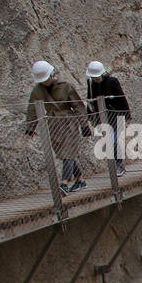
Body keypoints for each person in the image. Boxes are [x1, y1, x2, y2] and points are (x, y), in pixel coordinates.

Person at [25, 60, 89, 193]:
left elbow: (78, 105)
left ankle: (64, 183)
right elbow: (33, 108)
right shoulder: (37, 90)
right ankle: (80, 180)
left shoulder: (65, 86)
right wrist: (31, 127)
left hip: (68, 122)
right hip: (54, 124)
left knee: (68, 152)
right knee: (66, 153)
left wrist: (84, 124)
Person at [85, 61, 131, 176]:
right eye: (93, 77)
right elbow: (90, 100)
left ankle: (119, 164)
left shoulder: (112, 82)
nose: (95, 80)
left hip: (116, 115)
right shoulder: (91, 84)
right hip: (101, 117)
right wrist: (89, 115)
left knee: (115, 140)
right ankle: (116, 163)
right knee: (108, 142)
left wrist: (127, 114)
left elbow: (121, 98)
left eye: (97, 77)